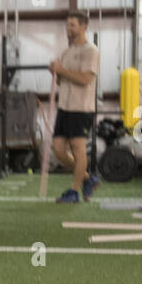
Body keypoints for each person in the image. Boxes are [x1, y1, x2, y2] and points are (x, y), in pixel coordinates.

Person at [50, 11, 100, 203]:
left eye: (72, 25)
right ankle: (88, 179)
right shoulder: (67, 52)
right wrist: (55, 72)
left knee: (78, 149)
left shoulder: (91, 51)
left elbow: (86, 79)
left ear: (83, 27)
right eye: (67, 25)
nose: (68, 28)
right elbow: (64, 81)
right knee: (59, 150)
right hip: (65, 107)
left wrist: (62, 70)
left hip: (82, 109)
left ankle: (74, 191)